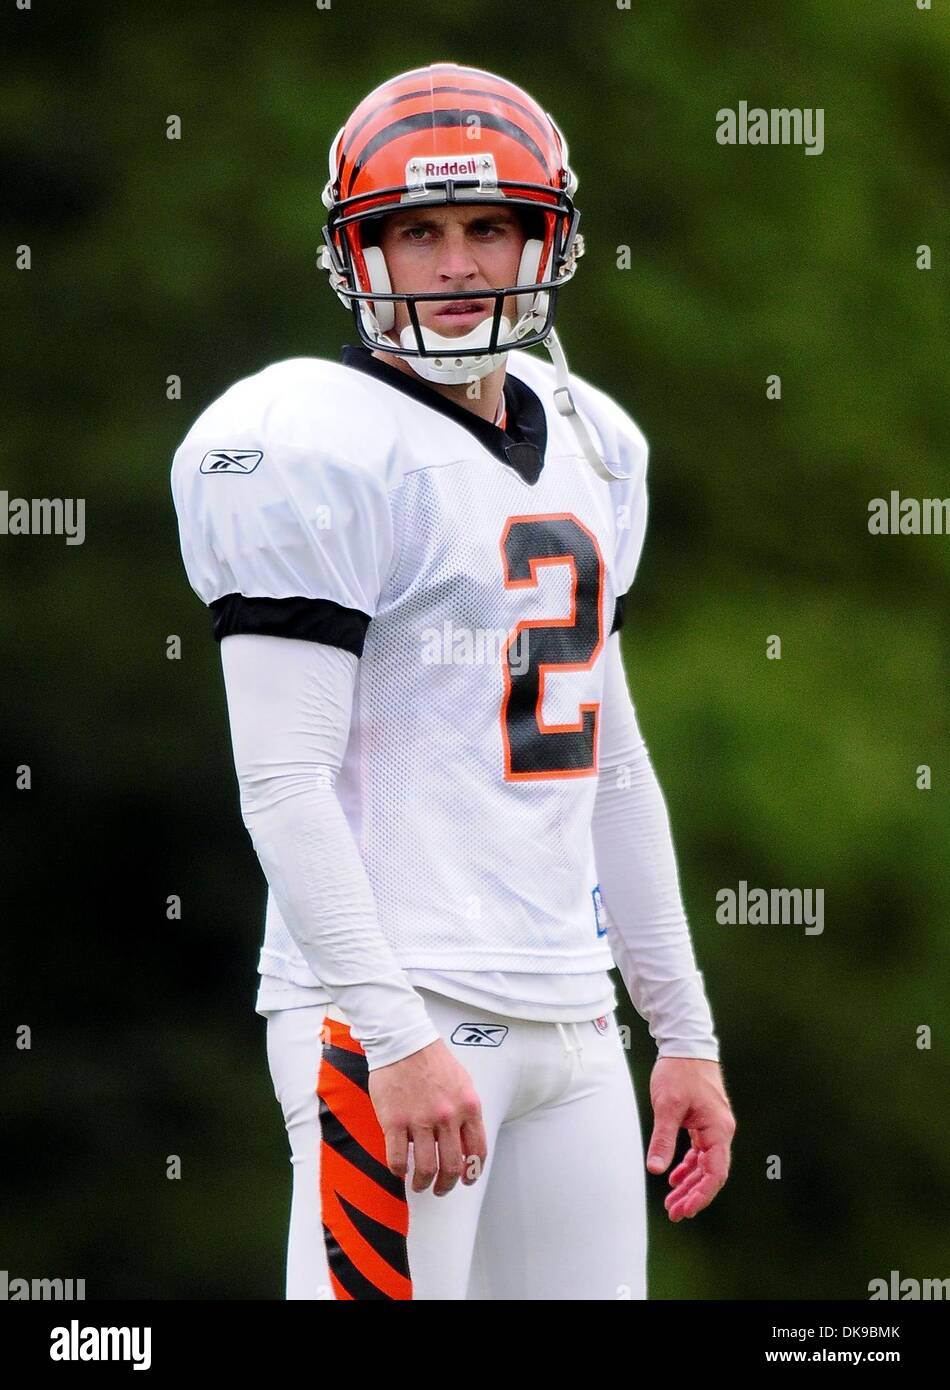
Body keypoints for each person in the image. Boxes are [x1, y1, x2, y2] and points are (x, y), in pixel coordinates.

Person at [171, 61, 735, 1301]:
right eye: (414, 231)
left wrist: (680, 1029)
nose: (455, 262)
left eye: (489, 226)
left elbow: (610, 761)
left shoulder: (591, 435)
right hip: (394, 1007)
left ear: (551, 237)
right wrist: (394, 1034)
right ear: (355, 253)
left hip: (572, 1022)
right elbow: (281, 781)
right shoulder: (305, 441)